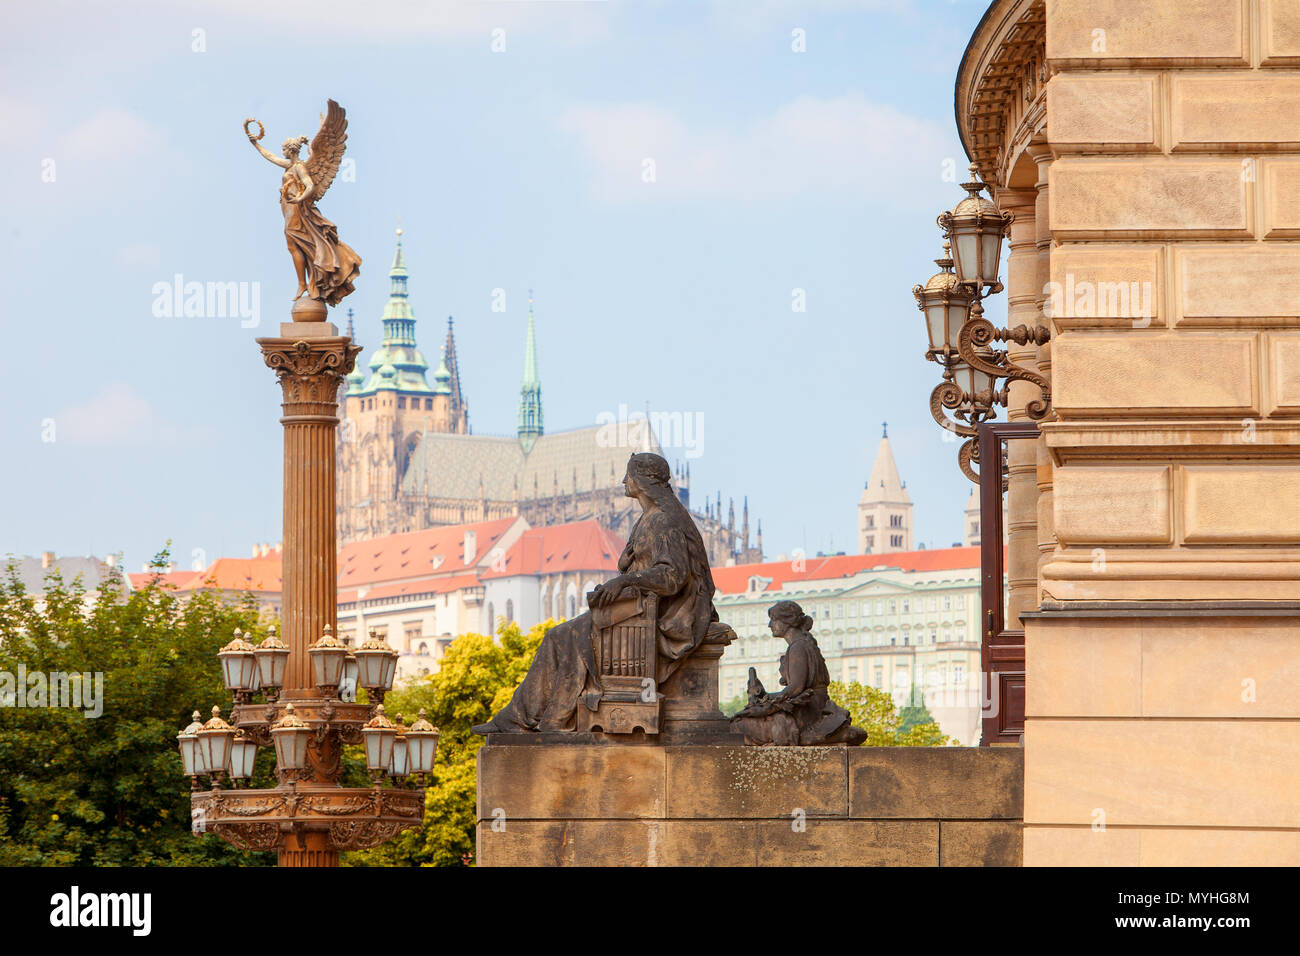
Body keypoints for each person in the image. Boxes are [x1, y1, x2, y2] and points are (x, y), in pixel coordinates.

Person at [473, 452, 722, 733]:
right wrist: (620, 586)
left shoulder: (664, 519)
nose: (623, 481)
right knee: (562, 636)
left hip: (667, 617)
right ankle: (529, 717)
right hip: (640, 610)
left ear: (642, 481)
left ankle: (538, 719)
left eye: (629, 475)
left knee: (563, 636)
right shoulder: (651, 517)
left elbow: (672, 576)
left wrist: (623, 583)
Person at [731, 600, 866, 746]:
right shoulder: (802, 644)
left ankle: (803, 737)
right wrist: (763, 695)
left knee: (738, 724)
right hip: (813, 705)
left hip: (808, 711)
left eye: (773, 620)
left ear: (787, 622)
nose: (770, 625)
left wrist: (765, 698)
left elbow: (796, 688)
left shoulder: (798, 647)